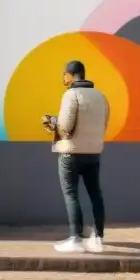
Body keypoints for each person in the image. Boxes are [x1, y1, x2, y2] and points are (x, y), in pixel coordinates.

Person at [47, 60, 109, 254]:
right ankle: (98, 238)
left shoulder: (71, 95)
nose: (63, 78)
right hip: (93, 152)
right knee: (95, 194)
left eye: (64, 74)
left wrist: (53, 123)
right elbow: (104, 124)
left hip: (71, 153)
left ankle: (75, 239)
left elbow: (65, 128)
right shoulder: (101, 96)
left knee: (71, 194)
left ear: (70, 74)